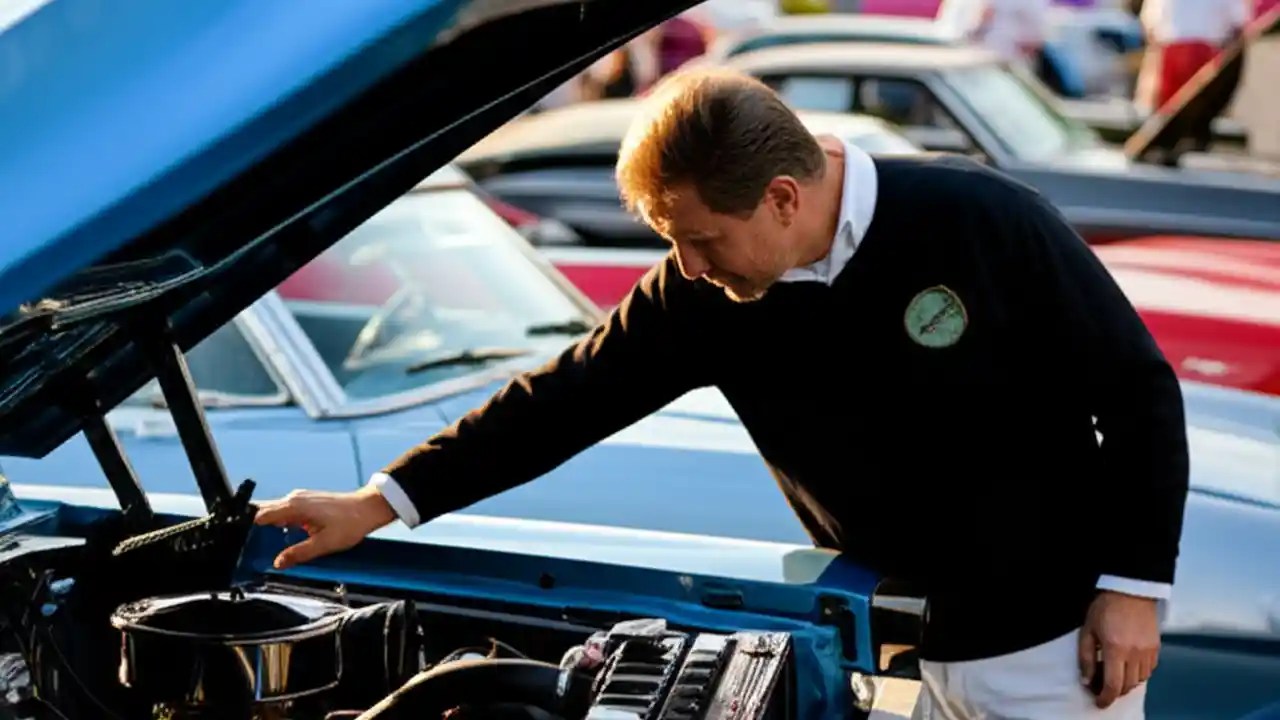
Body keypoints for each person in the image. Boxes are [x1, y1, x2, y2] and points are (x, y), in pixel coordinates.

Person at [256, 67, 1190, 719]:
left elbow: (1139, 393)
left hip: (1054, 646)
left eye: (701, 237)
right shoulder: (700, 294)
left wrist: (1133, 589)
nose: (686, 265)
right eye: (670, 238)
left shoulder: (982, 222)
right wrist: (379, 502)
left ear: (784, 198)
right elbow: (566, 397)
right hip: (888, 635)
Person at [1135, 0, 1251, 112]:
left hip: (1173, 50)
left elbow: (1150, 24)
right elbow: (1239, 22)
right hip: (1204, 53)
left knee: (1167, 110)